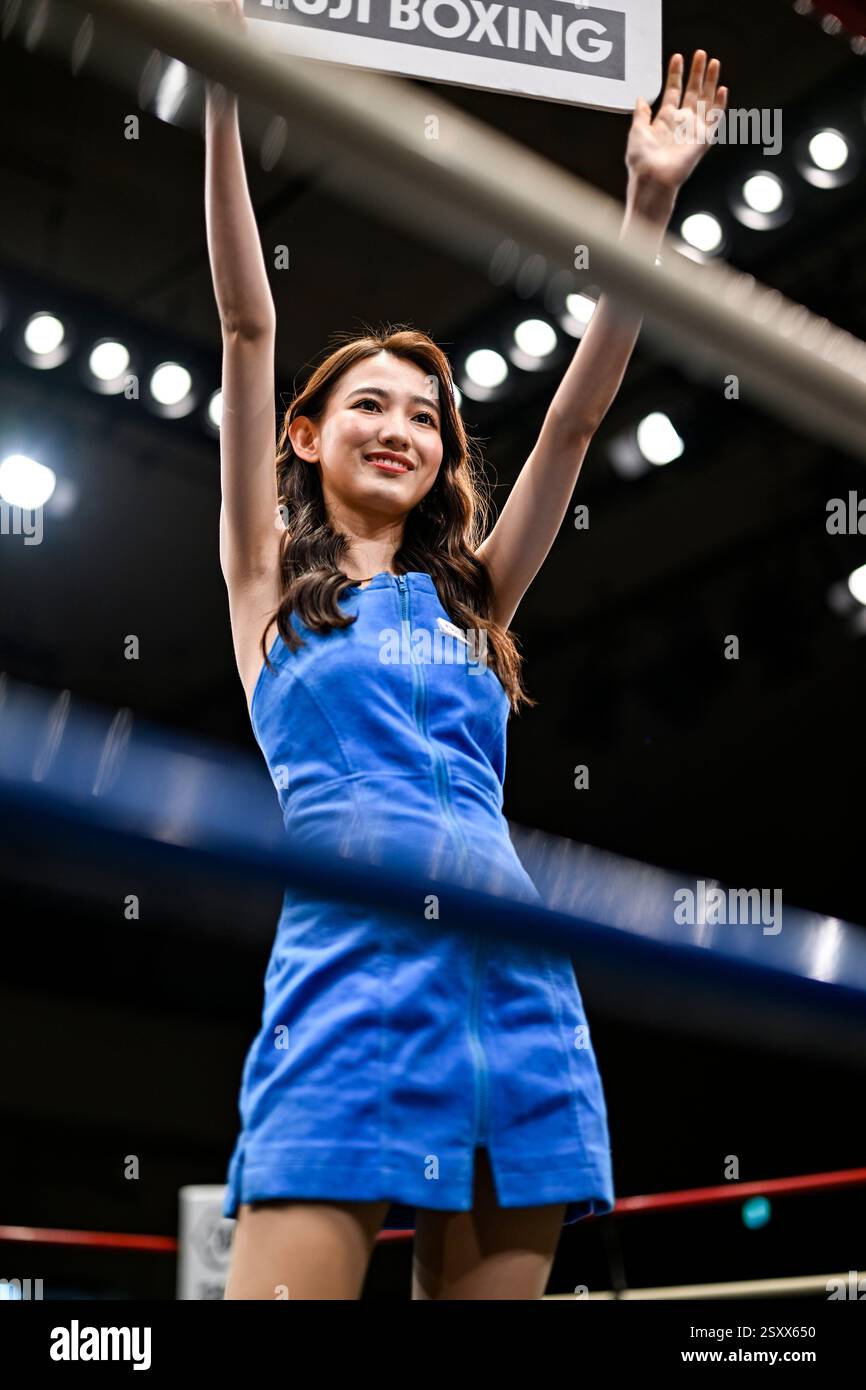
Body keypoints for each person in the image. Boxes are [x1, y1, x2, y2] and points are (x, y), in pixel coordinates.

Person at [195, 0, 726, 1298]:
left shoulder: (475, 596)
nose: (398, 427)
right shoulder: (263, 584)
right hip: (345, 985)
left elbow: (575, 417)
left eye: (423, 414)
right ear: (306, 438)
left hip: (516, 997)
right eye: (365, 404)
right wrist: (219, 92)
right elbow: (247, 329)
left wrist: (643, 209)